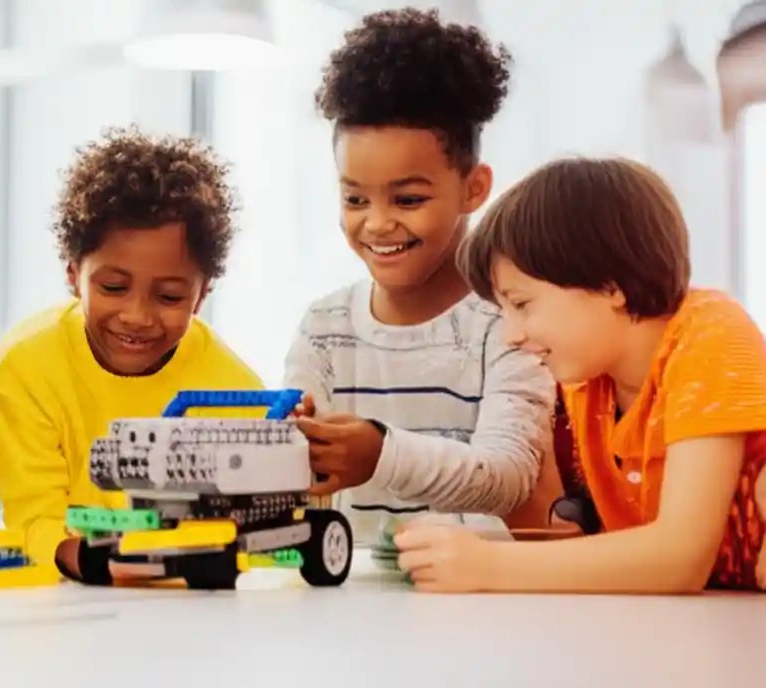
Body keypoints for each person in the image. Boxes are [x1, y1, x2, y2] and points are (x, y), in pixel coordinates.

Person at [400, 157, 765, 593]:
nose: (511, 336)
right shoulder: (584, 381)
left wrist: (487, 566)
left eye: (522, 304)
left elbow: (680, 558)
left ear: (611, 285)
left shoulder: (709, 335)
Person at [285, 8, 562, 546]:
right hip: (350, 603)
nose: (378, 222)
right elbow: (295, 477)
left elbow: (506, 477)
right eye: (354, 198)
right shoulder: (324, 327)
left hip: (474, 599)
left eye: (409, 199)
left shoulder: (510, 325)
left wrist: (380, 453)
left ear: (474, 188)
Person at [0, 126, 262, 584]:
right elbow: (33, 522)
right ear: (74, 275)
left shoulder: (235, 392)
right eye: (113, 287)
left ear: (202, 294)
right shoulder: (26, 366)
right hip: (71, 600)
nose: (137, 316)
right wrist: (105, 564)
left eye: (170, 296)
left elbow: (247, 538)